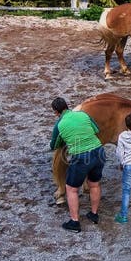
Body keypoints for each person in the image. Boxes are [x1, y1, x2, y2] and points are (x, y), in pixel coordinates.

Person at [50, 96, 106, 232]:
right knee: (94, 184)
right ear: (67, 106)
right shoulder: (83, 114)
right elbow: (96, 129)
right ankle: (94, 214)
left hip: (81, 157)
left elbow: (54, 145)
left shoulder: (59, 124)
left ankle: (75, 222)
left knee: (71, 189)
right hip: (99, 152)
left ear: (56, 112)